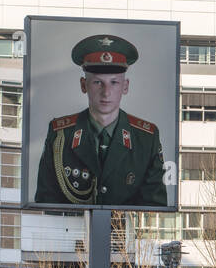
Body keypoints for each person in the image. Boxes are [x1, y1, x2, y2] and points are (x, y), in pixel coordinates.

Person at [35, 34, 167, 207]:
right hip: (73, 232)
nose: (106, 92)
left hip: (123, 234)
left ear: (125, 86)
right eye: (98, 82)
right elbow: (46, 203)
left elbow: (154, 208)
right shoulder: (60, 134)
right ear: (84, 85)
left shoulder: (146, 138)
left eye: (114, 83)